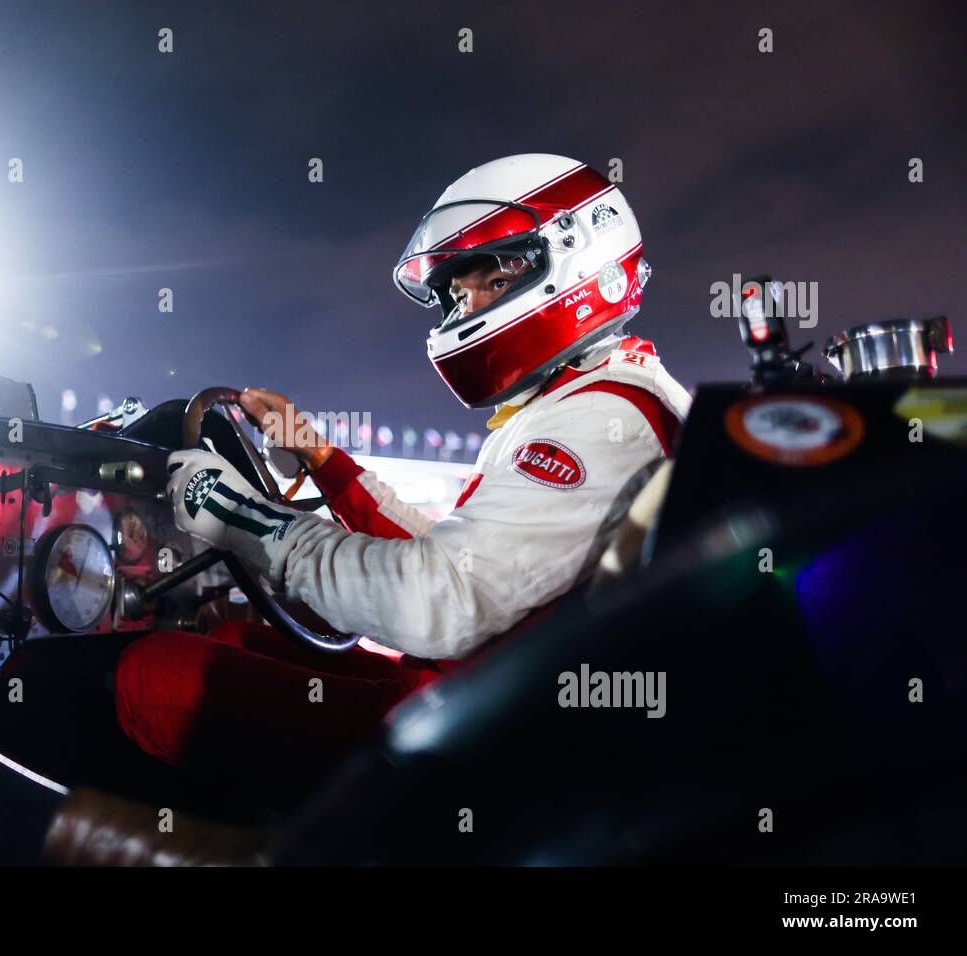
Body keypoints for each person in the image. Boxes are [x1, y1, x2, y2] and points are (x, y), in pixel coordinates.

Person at [115, 154, 691, 780]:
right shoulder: (599, 397)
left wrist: (239, 516)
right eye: (456, 291)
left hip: (488, 750)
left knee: (149, 672)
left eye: (491, 281)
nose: (465, 308)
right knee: (227, 640)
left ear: (580, 257)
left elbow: (436, 600)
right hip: (493, 701)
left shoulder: (600, 423)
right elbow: (455, 559)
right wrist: (318, 454)